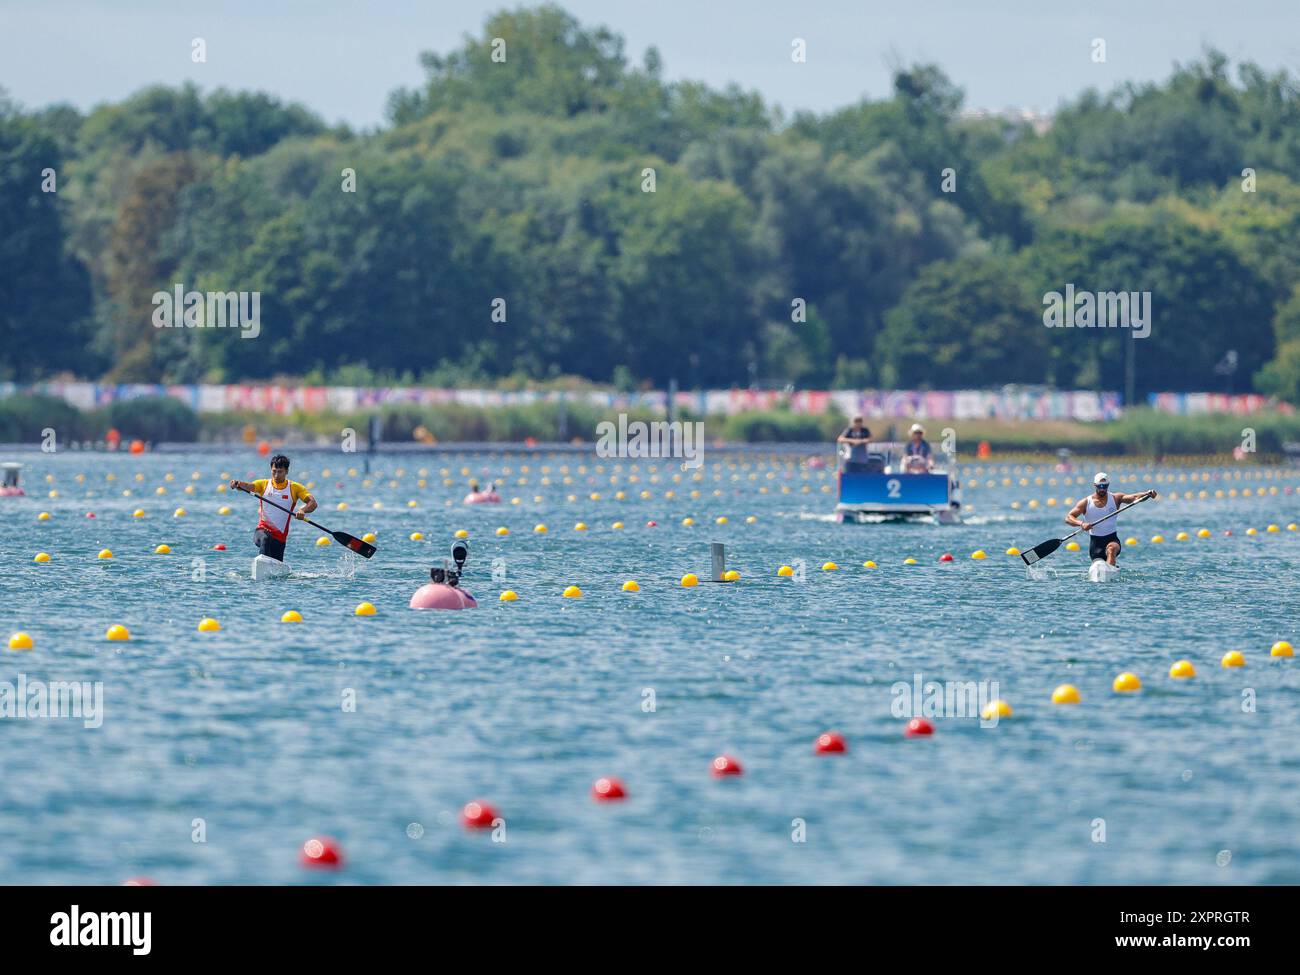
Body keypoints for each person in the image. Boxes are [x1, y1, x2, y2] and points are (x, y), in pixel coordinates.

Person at [229, 454, 317, 562]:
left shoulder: (295, 488)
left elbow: (312, 503)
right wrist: (238, 484)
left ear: (286, 471)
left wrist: (302, 510)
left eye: (280, 472)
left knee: (277, 570)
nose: (276, 475)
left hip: (280, 538)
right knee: (265, 539)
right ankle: (261, 565)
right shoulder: (263, 484)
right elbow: (247, 486)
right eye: (274, 471)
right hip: (262, 530)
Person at [1065, 472, 1157, 567]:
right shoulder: (1086, 502)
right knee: (1099, 565)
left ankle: (1110, 570)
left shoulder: (1115, 498)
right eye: (1099, 486)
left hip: (1112, 540)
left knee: (1111, 549)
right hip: (1095, 546)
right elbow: (1069, 518)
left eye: (1105, 486)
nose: (1102, 489)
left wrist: (1148, 494)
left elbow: (1134, 497)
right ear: (1094, 485)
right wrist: (1081, 524)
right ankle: (1108, 569)